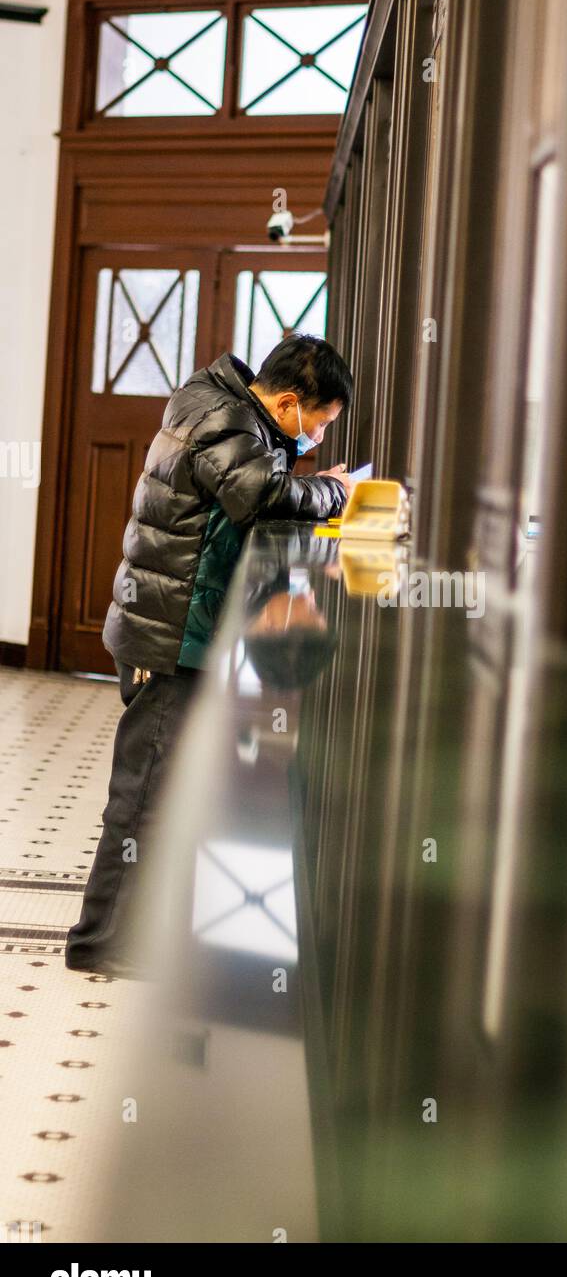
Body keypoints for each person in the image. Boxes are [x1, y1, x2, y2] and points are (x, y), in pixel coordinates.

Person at [64, 334, 354, 975]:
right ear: (287, 402)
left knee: (165, 789)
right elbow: (259, 494)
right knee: (144, 794)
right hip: (168, 635)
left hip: (174, 625)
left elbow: (253, 486)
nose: (318, 440)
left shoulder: (227, 408)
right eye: (320, 423)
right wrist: (334, 493)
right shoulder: (225, 417)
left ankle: (139, 932)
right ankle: (101, 943)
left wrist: (302, 475)